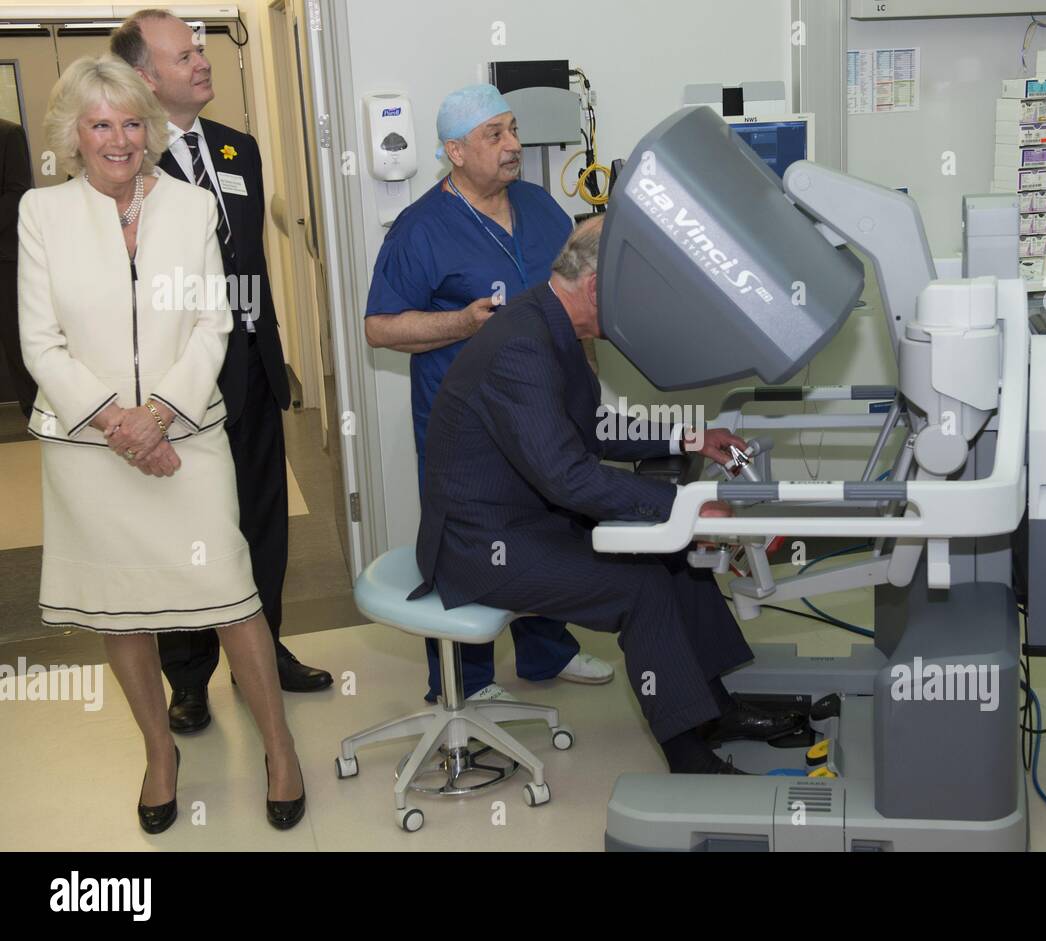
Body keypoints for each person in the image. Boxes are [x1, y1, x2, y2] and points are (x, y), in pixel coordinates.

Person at [19, 54, 304, 831]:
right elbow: (40, 343)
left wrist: (161, 415)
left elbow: (216, 321)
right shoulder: (42, 215)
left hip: (187, 438)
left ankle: (279, 745)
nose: (118, 138)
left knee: (234, 598)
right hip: (92, 447)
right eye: (100, 124)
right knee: (123, 613)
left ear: (149, 128)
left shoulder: (189, 206)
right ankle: (158, 751)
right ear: (73, 136)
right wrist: (119, 421)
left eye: (131, 121)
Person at [411, 218, 803, 773]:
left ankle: (715, 709)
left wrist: (688, 436)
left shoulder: (550, 324)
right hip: (481, 546)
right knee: (639, 585)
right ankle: (688, 755)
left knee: (673, 556)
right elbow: (567, 476)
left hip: (529, 519)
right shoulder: (521, 347)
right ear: (596, 288)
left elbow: (590, 425)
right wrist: (683, 507)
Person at [110, 9, 332, 739]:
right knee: (187, 533)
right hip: (180, 387)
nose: (202, 62)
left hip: (256, 370)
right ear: (146, 77)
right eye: (184, 55)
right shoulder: (130, 165)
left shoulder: (240, 150)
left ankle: (259, 654)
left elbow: (250, 265)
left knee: (263, 522)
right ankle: (189, 675)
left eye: (201, 49)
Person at [366, 83, 613, 703]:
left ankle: (546, 654)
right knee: (468, 545)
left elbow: (578, 295)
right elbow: (380, 327)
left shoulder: (541, 207)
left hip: (544, 413)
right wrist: (461, 323)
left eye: (513, 130)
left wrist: (586, 377)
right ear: (455, 151)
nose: (513, 146)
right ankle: (465, 681)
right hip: (466, 428)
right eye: (494, 135)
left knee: (551, 527)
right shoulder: (420, 230)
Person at [0, 116, 36, 418]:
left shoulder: (8, 134)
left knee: (17, 344)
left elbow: (17, 193)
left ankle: (36, 412)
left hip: (5, 261)